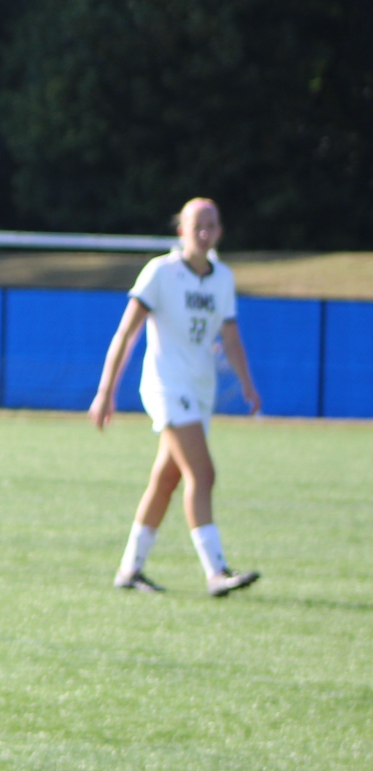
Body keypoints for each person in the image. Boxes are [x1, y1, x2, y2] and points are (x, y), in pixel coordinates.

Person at [90, 197, 262, 598]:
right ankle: (216, 571)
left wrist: (248, 384)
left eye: (212, 225)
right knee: (203, 474)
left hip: (200, 391)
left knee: (167, 478)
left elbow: (230, 337)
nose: (204, 233)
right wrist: (105, 391)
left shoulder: (222, 278)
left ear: (220, 231)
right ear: (181, 230)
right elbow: (126, 333)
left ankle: (129, 570)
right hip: (167, 387)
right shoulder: (161, 273)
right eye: (196, 225)